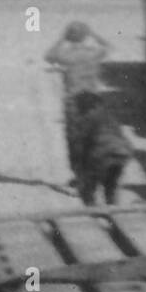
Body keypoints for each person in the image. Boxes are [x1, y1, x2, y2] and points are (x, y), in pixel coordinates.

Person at [44, 21, 112, 184]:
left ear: (71, 38)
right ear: (84, 38)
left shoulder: (68, 56)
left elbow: (49, 56)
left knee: (74, 140)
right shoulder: (94, 53)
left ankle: (79, 175)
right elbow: (108, 47)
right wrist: (93, 33)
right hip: (93, 101)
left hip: (74, 101)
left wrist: (62, 39)